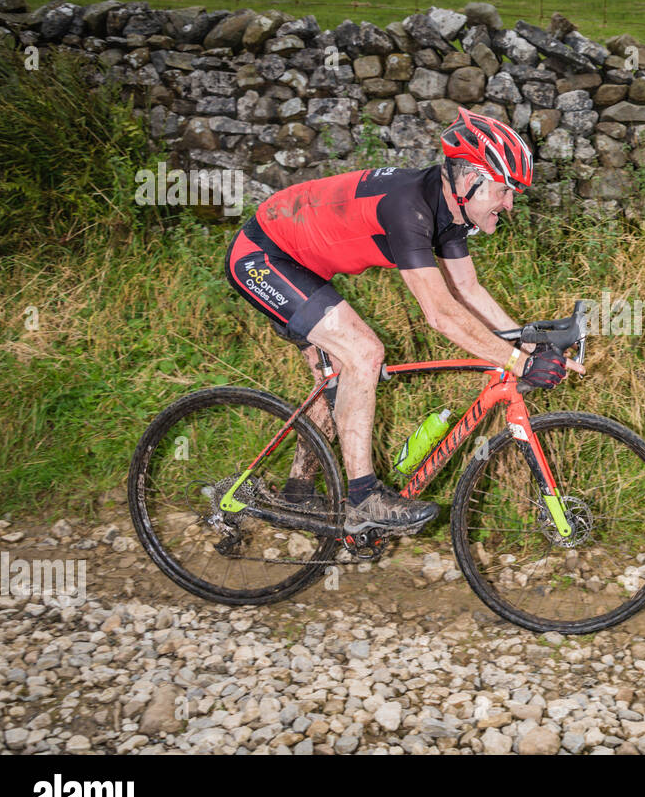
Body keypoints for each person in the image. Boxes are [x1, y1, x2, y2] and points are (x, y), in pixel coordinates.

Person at [223, 107, 583, 529]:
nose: (509, 204)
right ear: (470, 182)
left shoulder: (450, 211)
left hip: (302, 263)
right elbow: (442, 315)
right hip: (263, 256)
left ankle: (297, 494)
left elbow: (467, 291)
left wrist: (526, 339)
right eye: (504, 191)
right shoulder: (408, 208)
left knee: (339, 369)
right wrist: (519, 364)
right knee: (364, 353)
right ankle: (363, 498)